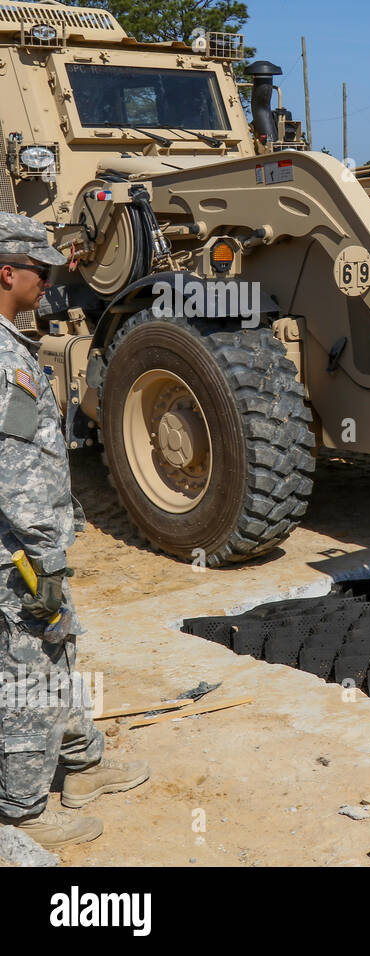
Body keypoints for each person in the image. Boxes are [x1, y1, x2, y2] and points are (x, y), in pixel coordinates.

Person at [0, 213, 149, 849]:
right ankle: (26, 810)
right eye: (42, 273)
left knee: (60, 648)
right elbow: (13, 469)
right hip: (20, 553)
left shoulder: (13, 345)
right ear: (7, 272)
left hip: (34, 546)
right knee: (31, 669)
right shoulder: (5, 359)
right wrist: (43, 551)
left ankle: (83, 763)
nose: (50, 286)